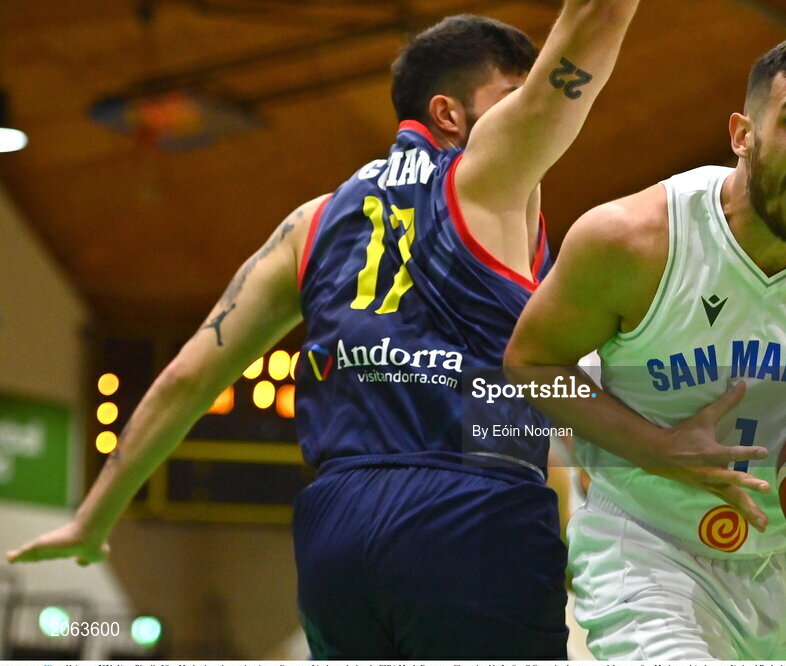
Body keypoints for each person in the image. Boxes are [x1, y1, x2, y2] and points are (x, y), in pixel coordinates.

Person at [6, 3, 642, 658]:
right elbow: (591, 22)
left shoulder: (308, 225)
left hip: (337, 533)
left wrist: (94, 518)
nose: (529, 112)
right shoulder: (491, 175)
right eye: (513, 97)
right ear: (450, 114)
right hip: (469, 512)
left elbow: (188, 378)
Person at [504, 30, 786, 660]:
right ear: (742, 134)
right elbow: (530, 363)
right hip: (652, 549)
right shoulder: (634, 240)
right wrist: (660, 448)